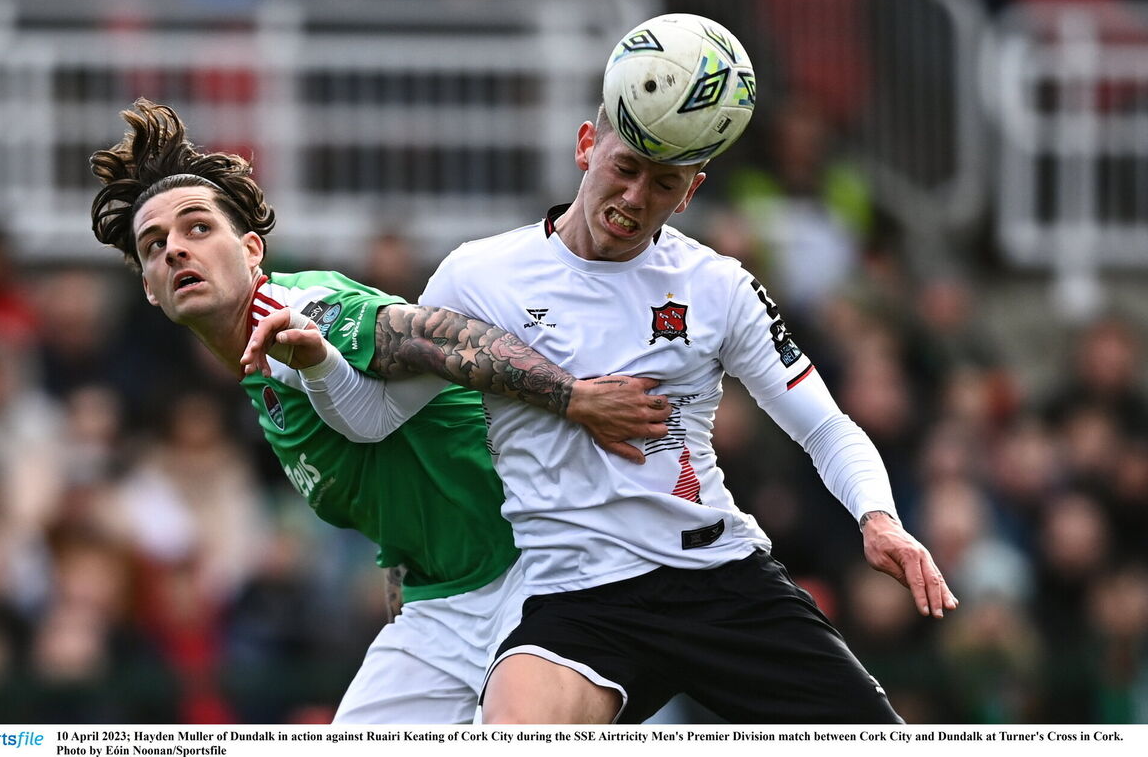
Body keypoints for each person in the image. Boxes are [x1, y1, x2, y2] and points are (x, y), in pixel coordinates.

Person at [88, 99, 670, 723]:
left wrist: (575, 398)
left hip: (532, 571)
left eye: (198, 228)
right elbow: (385, 468)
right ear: (149, 287)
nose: (176, 250)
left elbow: (440, 332)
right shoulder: (259, 376)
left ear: (252, 250)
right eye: (155, 245)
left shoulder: (308, 308)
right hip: (441, 605)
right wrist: (400, 573)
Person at [419, 98, 959, 724]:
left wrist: (878, 517)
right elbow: (390, 414)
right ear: (586, 144)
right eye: (624, 167)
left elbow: (824, 425)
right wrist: (317, 366)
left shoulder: (717, 285)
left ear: (689, 193)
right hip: (576, 591)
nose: (635, 196)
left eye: (664, 183)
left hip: (719, 576)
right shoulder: (476, 275)